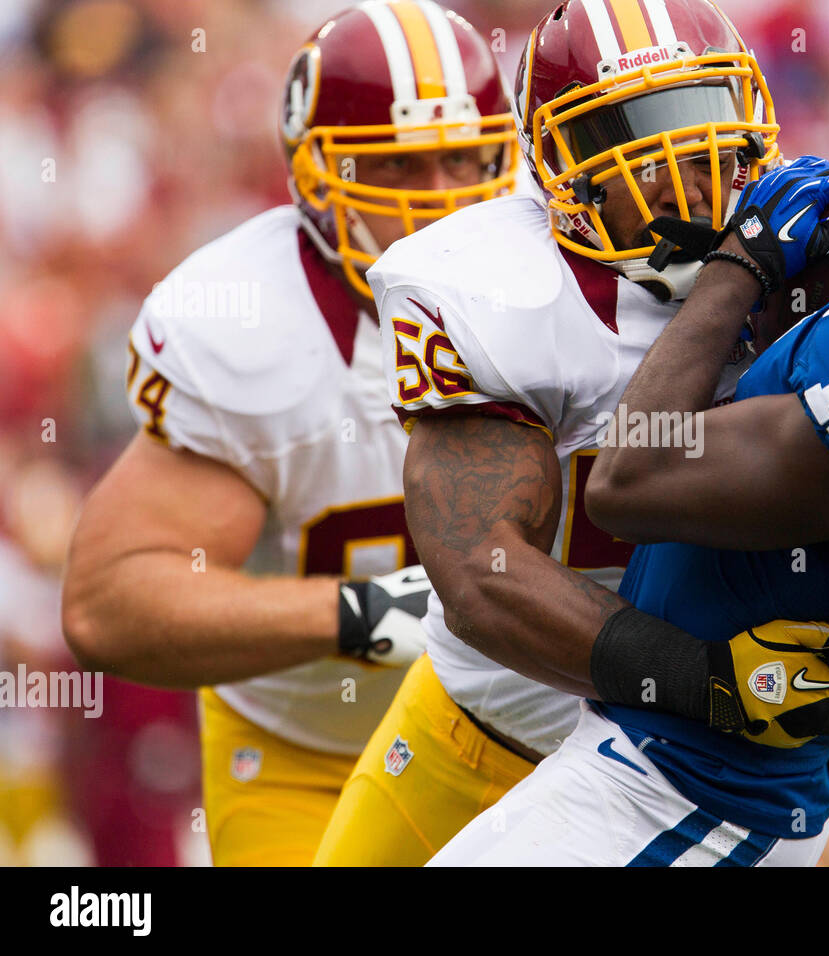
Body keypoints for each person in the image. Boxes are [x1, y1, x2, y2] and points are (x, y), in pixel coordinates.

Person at [320, 0, 829, 866]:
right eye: (633, 130)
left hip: (688, 780)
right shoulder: (491, 289)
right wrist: (709, 682)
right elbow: (483, 577)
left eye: (705, 115)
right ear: (557, 163)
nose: (685, 159)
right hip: (484, 740)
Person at [60, 0, 517, 866]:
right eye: (403, 168)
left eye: (465, 157)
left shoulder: (559, 280)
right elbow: (106, 602)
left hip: (523, 738)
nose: (444, 201)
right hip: (307, 756)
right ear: (317, 178)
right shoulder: (251, 326)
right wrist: (362, 613)